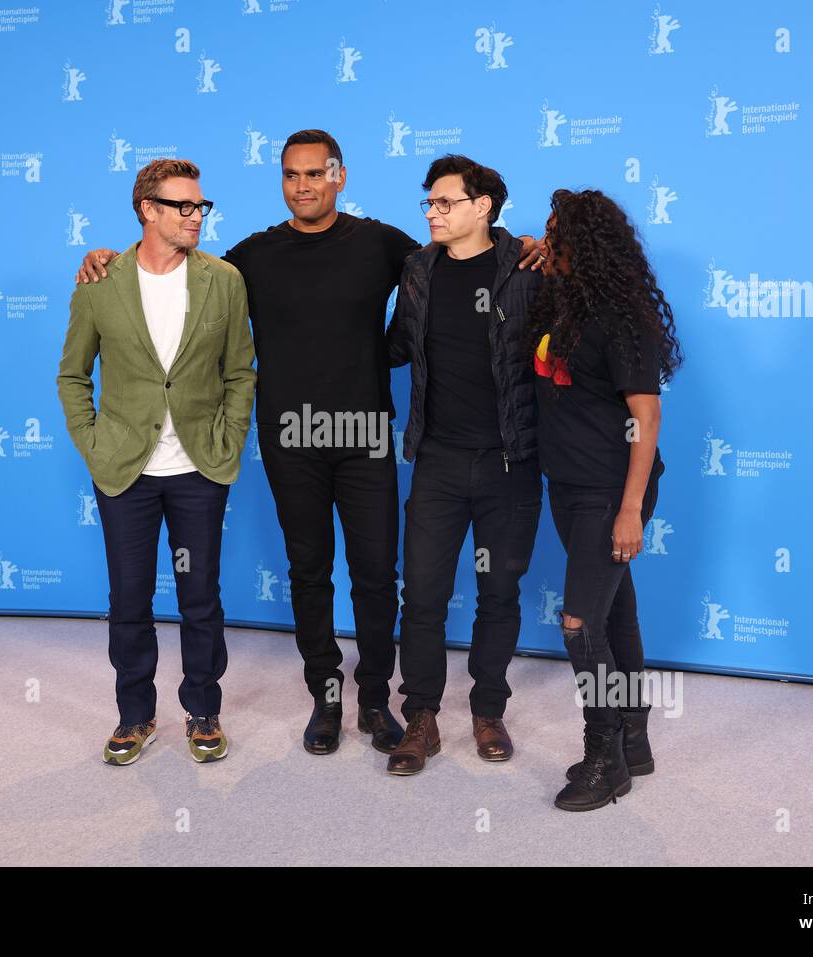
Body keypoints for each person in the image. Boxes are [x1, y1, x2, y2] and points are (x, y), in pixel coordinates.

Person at [75, 131, 546, 758]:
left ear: (340, 177)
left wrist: (528, 249)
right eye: (291, 175)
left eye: (316, 173)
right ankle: (326, 700)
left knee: (377, 577)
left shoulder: (387, 246)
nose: (303, 185)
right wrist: (107, 256)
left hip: (367, 438)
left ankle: (375, 700)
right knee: (309, 573)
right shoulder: (253, 256)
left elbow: (463, 252)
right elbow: (176, 262)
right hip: (291, 440)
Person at [57, 158, 256, 766]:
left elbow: (240, 371)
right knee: (129, 598)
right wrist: (96, 446)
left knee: (201, 598)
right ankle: (134, 716)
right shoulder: (101, 281)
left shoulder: (224, 279)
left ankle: (203, 710)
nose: (197, 217)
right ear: (149, 210)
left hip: (200, 467)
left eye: (201, 207)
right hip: (126, 471)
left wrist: (228, 439)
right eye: (184, 207)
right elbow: (73, 375)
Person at [383, 155, 545, 775]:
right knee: (421, 593)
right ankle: (421, 717)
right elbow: (398, 346)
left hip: (510, 461)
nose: (431, 212)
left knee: (498, 592)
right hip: (437, 460)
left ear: (484, 206)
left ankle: (487, 709)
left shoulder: (527, 269)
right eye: (428, 202)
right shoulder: (418, 270)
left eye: (444, 202)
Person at [529, 188, 683, 810]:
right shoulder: (565, 307)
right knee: (616, 614)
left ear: (583, 245)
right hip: (567, 485)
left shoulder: (620, 319)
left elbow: (646, 416)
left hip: (609, 492)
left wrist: (629, 508)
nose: (549, 241)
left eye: (556, 234)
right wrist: (530, 250)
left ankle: (603, 758)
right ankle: (634, 739)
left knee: (580, 625)